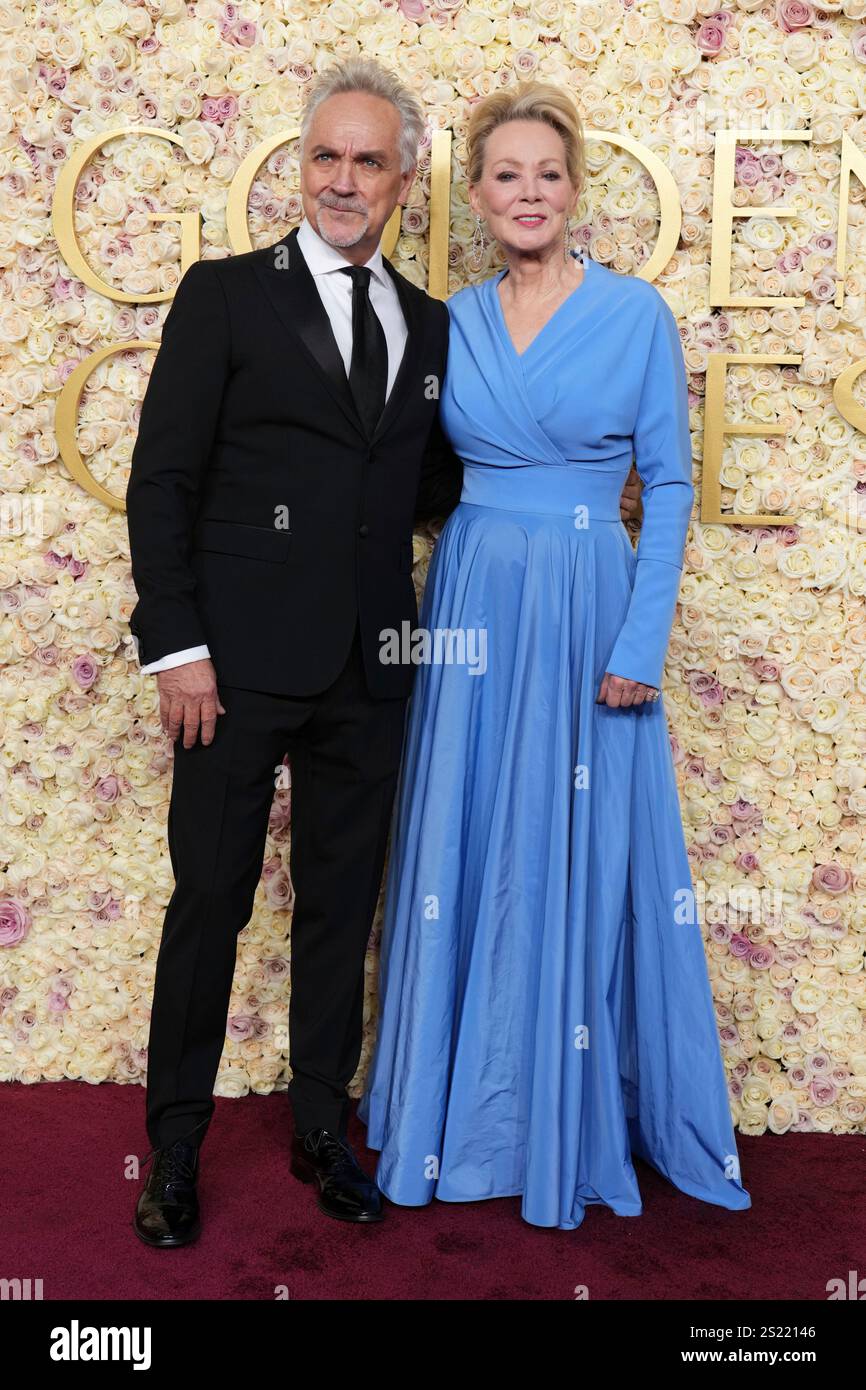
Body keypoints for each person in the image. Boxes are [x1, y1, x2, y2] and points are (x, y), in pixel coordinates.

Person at [125, 56, 647, 1246]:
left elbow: (434, 480)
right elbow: (162, 482)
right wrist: (177, 647)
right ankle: (171, 1151)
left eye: (369, 160)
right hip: (233, 672)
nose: (344, 179)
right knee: (210, 901)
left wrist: (569, 480)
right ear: (299, 167)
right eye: (325, 155)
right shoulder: (222, 297)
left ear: (406, 180)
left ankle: (319, 1130)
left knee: (339, 907)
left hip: (374, 671)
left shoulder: (426, 324)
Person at [359, 81, 752, 1231]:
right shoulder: (448, 322)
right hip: (475, 596)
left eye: (548, 173)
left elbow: (670, 485)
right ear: (474, 197)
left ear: (575, 192)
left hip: (590, 599)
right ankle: (461, 1110)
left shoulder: (634, 315)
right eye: (504, 175)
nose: (527, 193)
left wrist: (641, 640)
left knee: (580, 849)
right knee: (470, 840)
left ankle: (568, 1115)